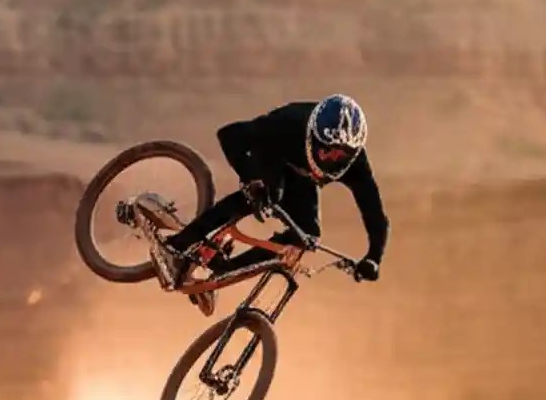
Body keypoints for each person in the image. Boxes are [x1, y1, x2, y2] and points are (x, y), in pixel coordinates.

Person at [156, 94, 389, 285]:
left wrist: (373, 258)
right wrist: (251, 180)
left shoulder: (356, 165)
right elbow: (228, 135)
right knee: (267, 195)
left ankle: (222, 271)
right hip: (272, 154)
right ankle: (176, 245)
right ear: (313, 136)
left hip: (301, 177)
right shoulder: (289, 122)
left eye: (340, 155)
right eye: (327, 149)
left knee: (307, 235)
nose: (331, 157)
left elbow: (375, 215)